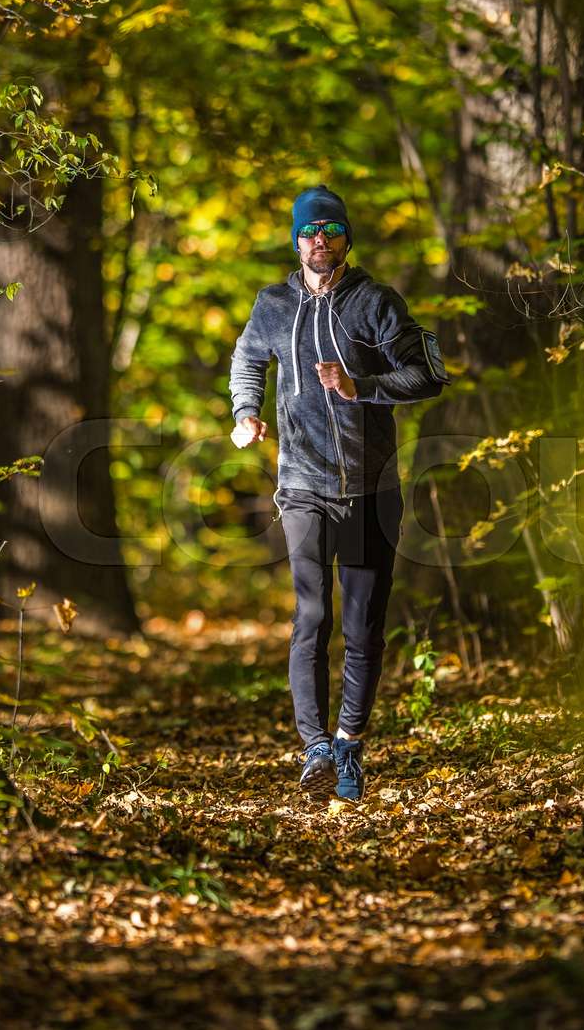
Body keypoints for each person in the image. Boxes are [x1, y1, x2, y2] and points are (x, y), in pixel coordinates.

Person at [228, 185, 449, 802]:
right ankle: (315, 748)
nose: (319, 240)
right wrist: (246, 412)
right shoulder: (273, 305)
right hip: (302, 485)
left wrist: (361, 386)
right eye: (309, 231)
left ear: (347, 238)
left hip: (368, 488)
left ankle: (349, 742)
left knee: (362, 625)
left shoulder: (376, 303)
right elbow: (247, 359)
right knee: (311, 616)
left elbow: (427, 375)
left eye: (330, 230)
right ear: (296, 241)